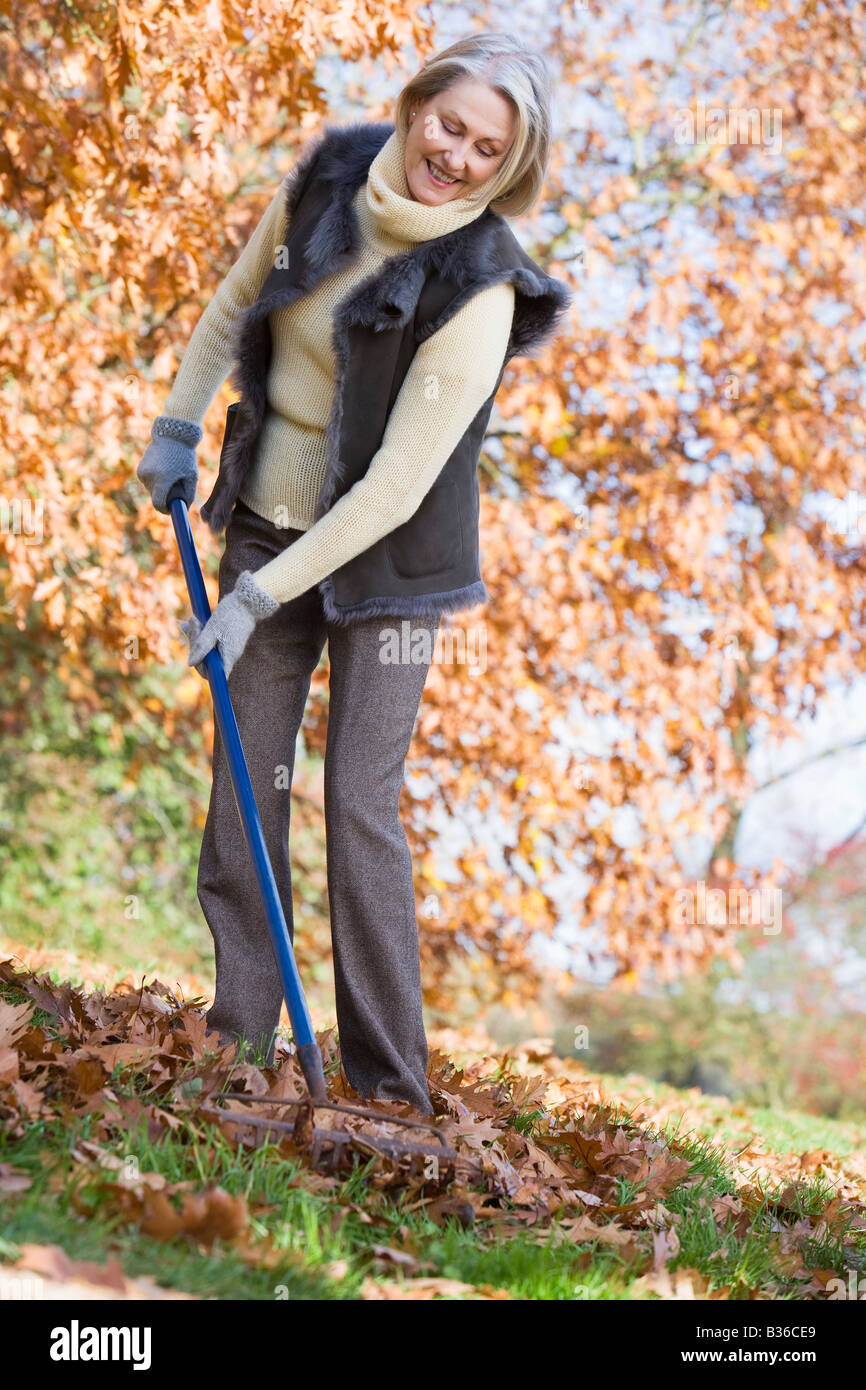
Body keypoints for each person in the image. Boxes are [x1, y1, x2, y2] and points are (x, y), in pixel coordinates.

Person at [136, 31, 572, 1114]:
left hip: (392, 566)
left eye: (487, 149)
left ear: (509, 169)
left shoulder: (478, 290)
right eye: (449, 123)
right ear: (415, 103)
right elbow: (239, 300)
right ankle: (239, 1039)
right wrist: (176, 429)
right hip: (265, 519)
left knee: (356, 800)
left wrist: (252, 599)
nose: (457, 155)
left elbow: (388, 488)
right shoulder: (330, 181)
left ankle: (387, 1081)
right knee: (248, 783)